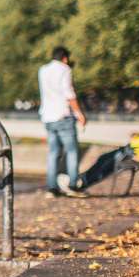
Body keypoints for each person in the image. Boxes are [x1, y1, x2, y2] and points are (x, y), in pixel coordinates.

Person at [68, 94, 139, 193]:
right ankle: (80, 181)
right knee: (103, 159)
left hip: (137, 153)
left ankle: (81, 182)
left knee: (106, 164)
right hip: (132, 149)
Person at [39, 46, 87, 197]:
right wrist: (79, 113)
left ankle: (52, 188)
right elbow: (68, 93)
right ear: (65, 58)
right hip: (63, 115)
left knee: (53, 153)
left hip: (47, 116)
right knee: (72, 151)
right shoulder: (65, 70)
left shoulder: (43, 70)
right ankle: (73, 185)